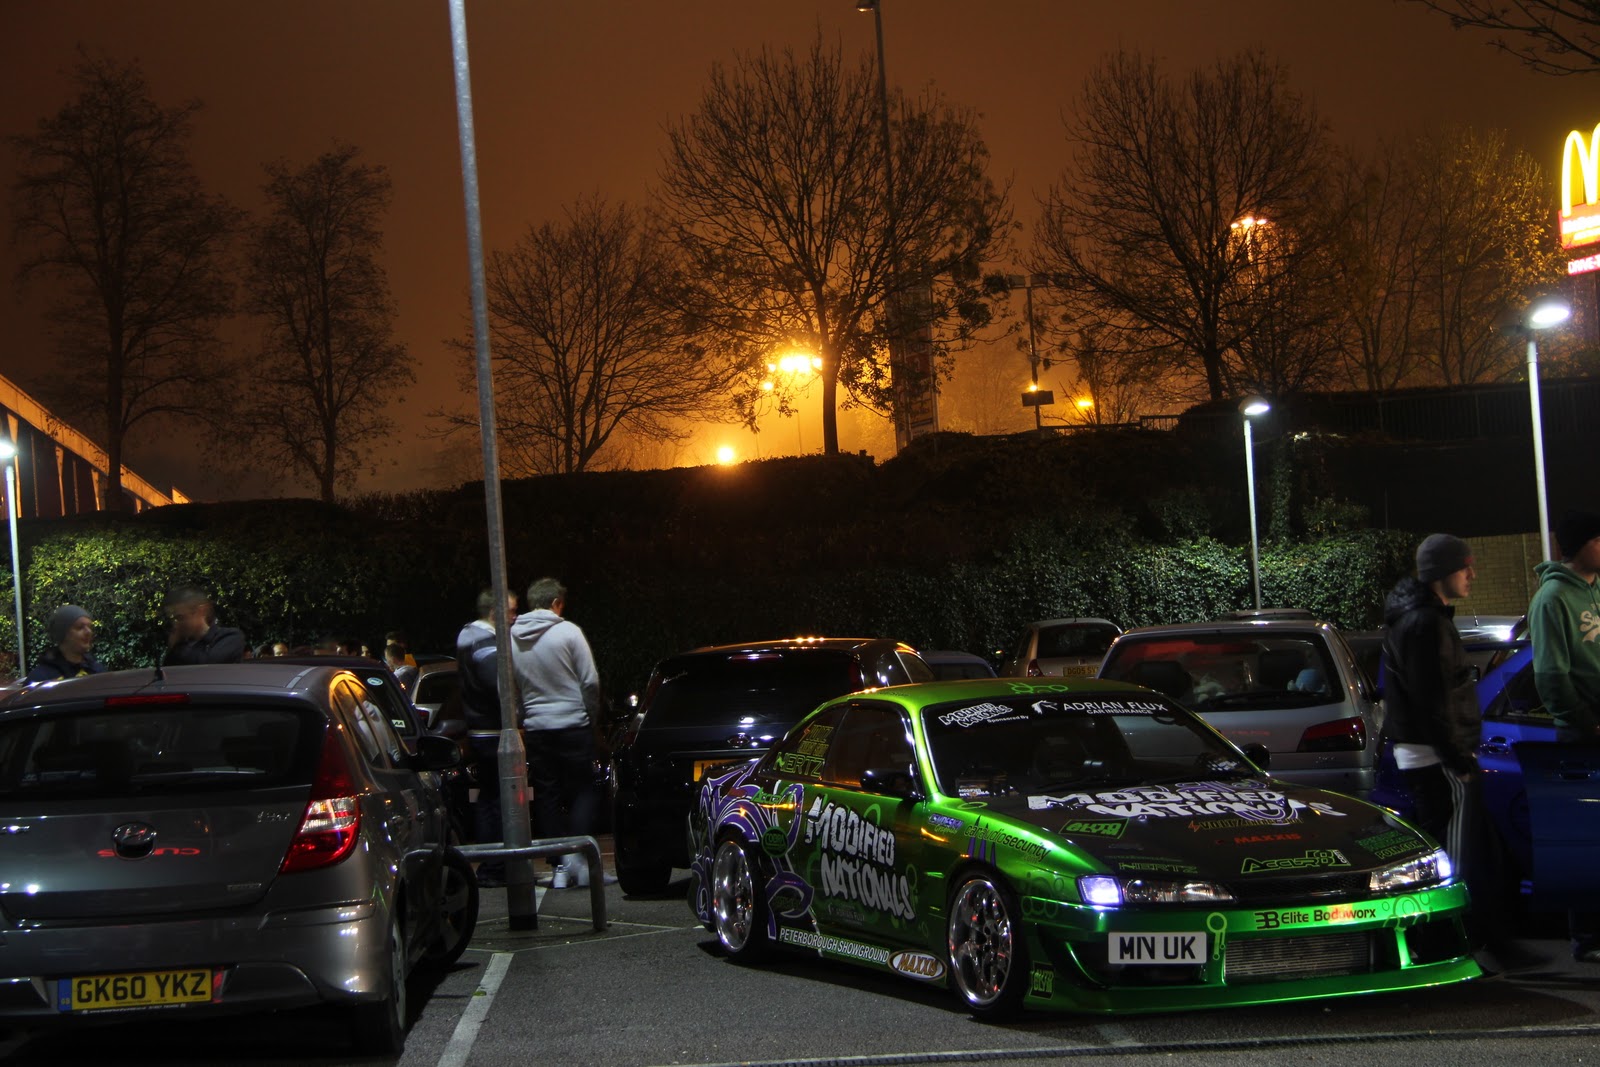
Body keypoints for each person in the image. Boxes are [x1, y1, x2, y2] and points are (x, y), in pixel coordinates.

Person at [1381, 534, 1525, 968]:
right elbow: (1432, 698)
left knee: (1456, 851)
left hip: (1429, 754)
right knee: (1459, 858)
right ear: (1443, 572)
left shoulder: (1413, 618)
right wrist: (1458, 759)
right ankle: (1466, 945)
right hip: (1438, 758)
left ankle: (1470, 942)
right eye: (1466, 567)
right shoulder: (1425, 624)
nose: (1473, 574)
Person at [1528, 508, 1600, 963]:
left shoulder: (1594, 591)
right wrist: (1584, 720)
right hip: (1581, 736)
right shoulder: (1553, 598)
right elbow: (1551, 673)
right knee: (1585, 837)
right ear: (1582, 545)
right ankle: (1588, 938)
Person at [510, 576, 614, 888]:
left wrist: (523, 714)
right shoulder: (569, 632)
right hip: (572, 723)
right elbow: (590, 681)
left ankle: (558, 866)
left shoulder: (512, 637)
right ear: (557, 603)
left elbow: (511, 685)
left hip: (538, 728)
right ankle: (575, 854)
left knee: (547, 794)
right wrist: (590, 714)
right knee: (584, 788)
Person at [457, 587, 517, 888]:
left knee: (488, 797)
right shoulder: (485, 642)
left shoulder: (467, 637)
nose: (515, 617)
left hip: (480, 730)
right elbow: (500, 687)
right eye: (511, 611)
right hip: (493, 730)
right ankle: (495, 867)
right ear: (495, 612)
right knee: (497, 799)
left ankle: (492, 864)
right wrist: (516, 713)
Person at [162, 584, 245, 665]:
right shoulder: (180, 645)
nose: (176, 624)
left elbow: (207, 665)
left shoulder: (230, 637)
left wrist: (178, 648)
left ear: (201, 611)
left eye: (180, 617)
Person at [26, 605, 108, 682]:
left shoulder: (98, 672)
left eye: (90, 627)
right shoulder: (41, 678)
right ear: (63, 633)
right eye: (79, 627)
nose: (88, 632)